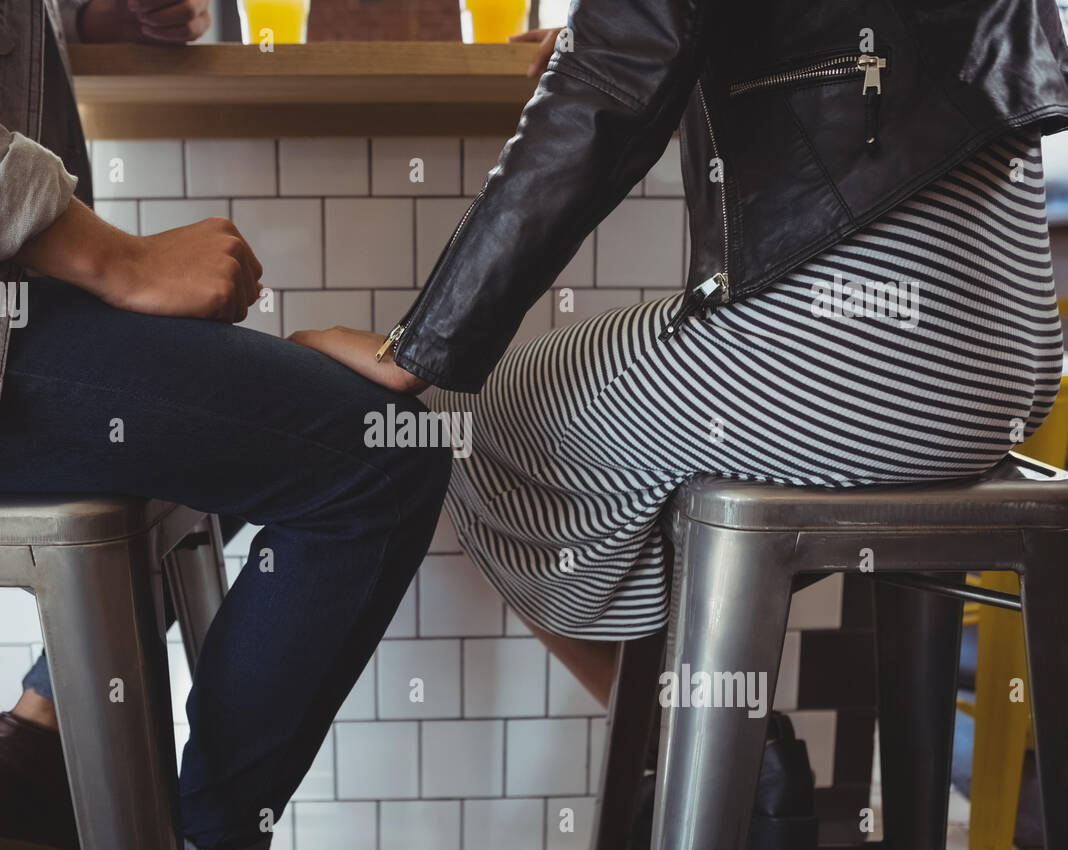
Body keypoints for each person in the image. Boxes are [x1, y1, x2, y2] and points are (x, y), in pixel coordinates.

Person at [0, 0, 449, 850]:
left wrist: (90, 18)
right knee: (375, 458)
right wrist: (110, 257)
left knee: (261, 429)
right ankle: (214, 844)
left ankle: (37, 744)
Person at [292, 0, 1068, 707]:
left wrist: (418, 350)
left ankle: (716, 765)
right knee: (645, 450)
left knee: (453, 419)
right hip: (1018, 358)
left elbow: (609, 79)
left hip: (858, 363)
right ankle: (727, 762)